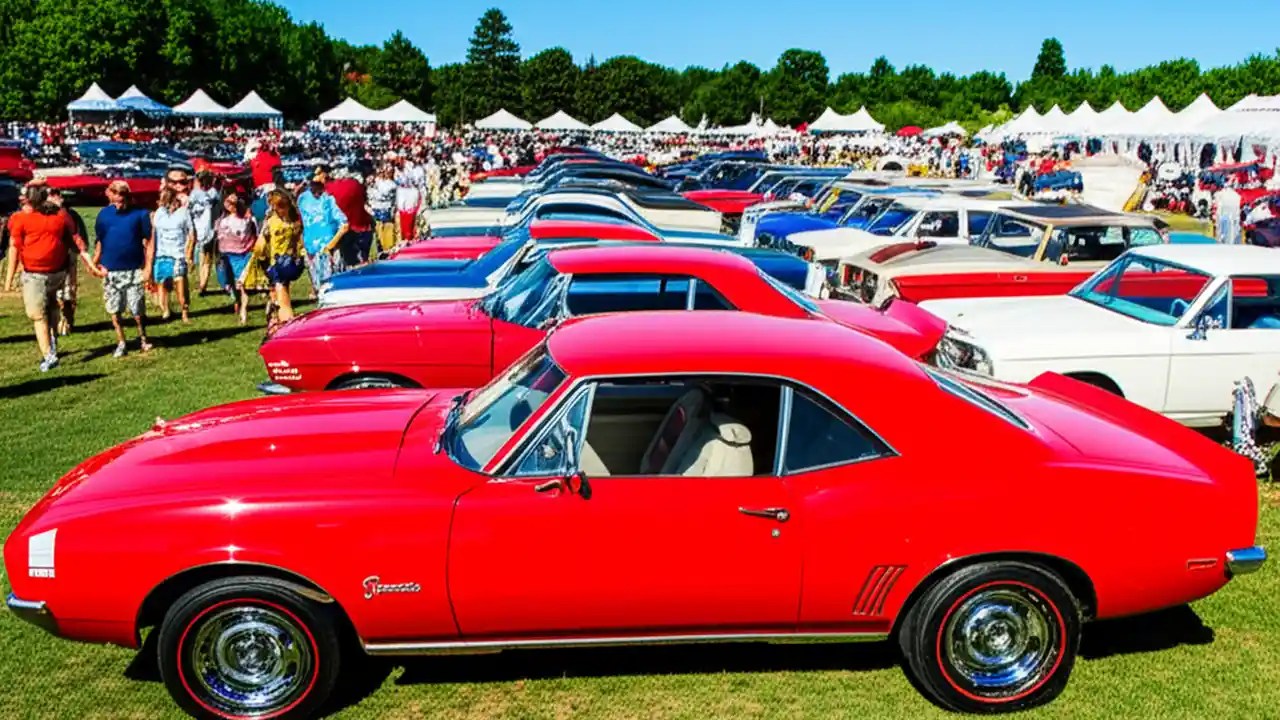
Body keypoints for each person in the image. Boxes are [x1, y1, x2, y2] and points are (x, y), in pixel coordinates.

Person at [4, 182, 101, 371]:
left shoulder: (21, 219)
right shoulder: (60, 215)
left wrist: (9, 280)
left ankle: (49, 355)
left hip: (38, 274)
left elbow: (15, 249)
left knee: (38, 314)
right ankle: (52, 344)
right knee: (50, 308)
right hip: (54, 272)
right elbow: (77, 242)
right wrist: (90, 264)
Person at [94, 181, 154, 357]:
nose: (119, 200)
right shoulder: (104, 215)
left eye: (123, 196)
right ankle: (121, 341)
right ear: (109, 195)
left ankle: (143, 337)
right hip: (111, 269)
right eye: (116, 196)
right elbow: (100, 241)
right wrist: (96, 263)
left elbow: (149, 241)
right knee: (115, 308)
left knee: (137, 308)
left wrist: (148, 267)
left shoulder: (140, 214)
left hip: (134, 268)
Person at [244, 189, 304, 330]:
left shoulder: (278, 222)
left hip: (282, 263)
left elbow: (261, 245)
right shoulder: (287, 221)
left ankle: (283, 322)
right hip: (284, 262)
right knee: (282, 295)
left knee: (282, 296)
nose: (277, 209)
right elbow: (261, 246)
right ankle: (281, 320)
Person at [296, 166, 347, 293]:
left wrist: (331, 245)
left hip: (329, 250)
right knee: (319, 289)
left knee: (334, 288)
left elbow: (344, 225)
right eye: (313, 183)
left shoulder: (329, 198)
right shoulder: (302, 199)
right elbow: (300, 223)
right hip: (311, 250)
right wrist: (302, 245)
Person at [213, 190, 259, 325]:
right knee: (230, 284)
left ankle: (243, 310)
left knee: (242, 285)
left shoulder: (247, 220)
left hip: (243, 255)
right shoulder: (222, 221)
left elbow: (254, 235)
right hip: (227, 255)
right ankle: (237, 302)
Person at [151, 186, 196, 322]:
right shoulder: (159, 213)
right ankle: (165, 310)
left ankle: (184, 311)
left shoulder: (184, 213)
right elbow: (154, 231)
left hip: (177, 253)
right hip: (161, 253)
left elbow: (192, 233)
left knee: (180, 284)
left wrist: (189, 252)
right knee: (162, 284)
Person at [47, 186, 86, 335]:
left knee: (68, 292)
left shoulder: (71, 215)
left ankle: (68, 321)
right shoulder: (46, 214)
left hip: (68, 257)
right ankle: (56, 324)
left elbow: (80, 238)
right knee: (54, 294)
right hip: (52, 258)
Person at [326, 167, 374, 266]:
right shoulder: (356, 185)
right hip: (362, 226)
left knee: (346, 262)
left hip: (342, 231)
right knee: (362, 261)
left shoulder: (329, 188)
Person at [188, 170, 218, 294]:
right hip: (209, 228)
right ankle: (203, 283)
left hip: (198, 228)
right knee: (207, 257)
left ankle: (202, 282)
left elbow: (189, 209)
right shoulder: (214, 193)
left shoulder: (195, 194)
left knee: (202, 256)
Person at [368, 163, 397, 253]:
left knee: (388, 228)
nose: (383, 173)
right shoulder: (374, 181)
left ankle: (388, 248)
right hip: (375, 208)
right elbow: (369, 194)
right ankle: (379, 248)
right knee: (377, 229)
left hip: (387, 208)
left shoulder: (392, 184)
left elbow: (385, 194)